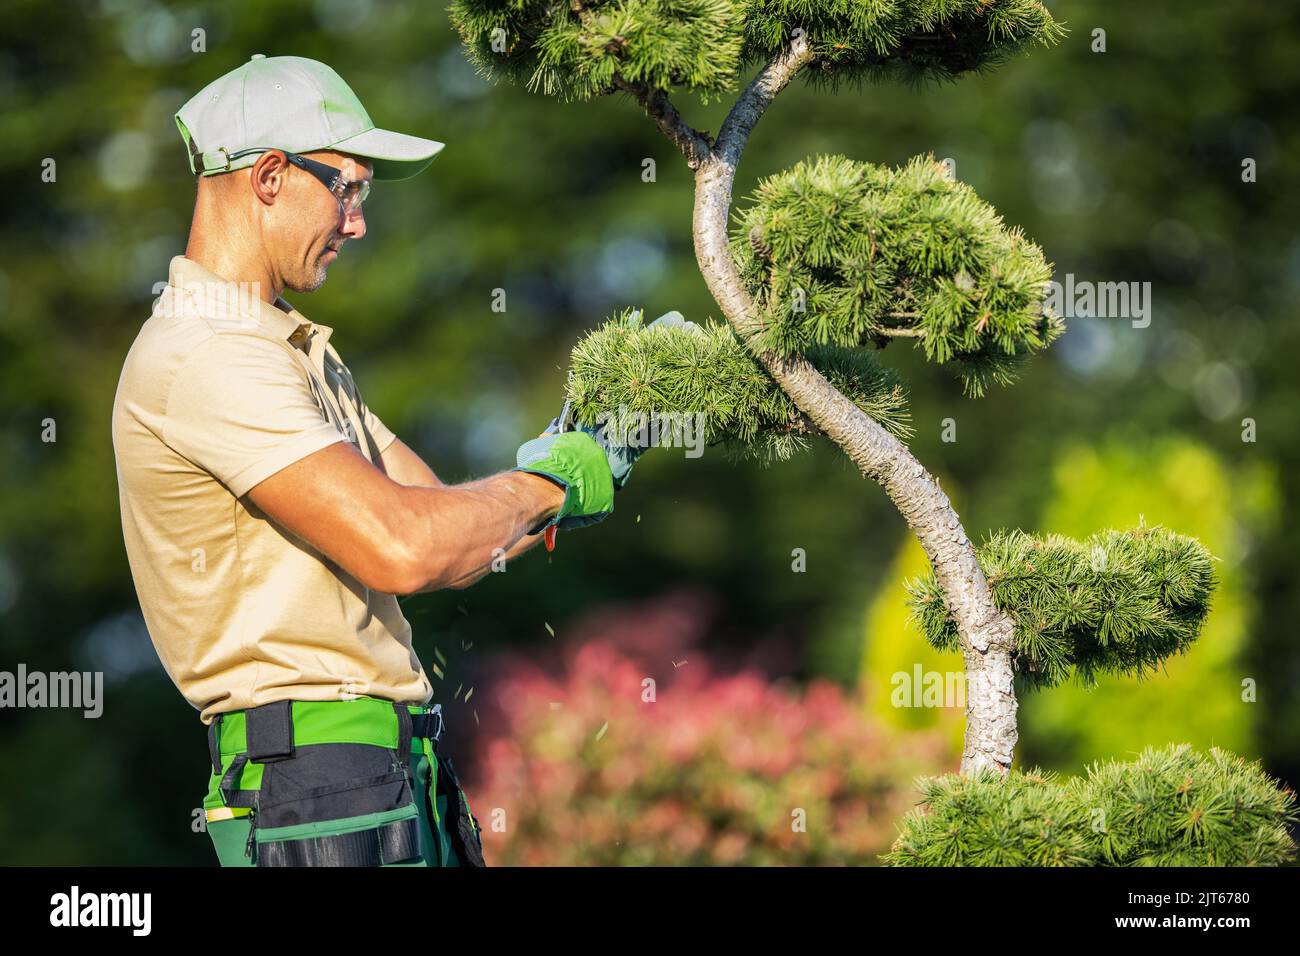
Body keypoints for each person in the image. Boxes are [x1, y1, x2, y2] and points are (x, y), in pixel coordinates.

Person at [110, 54, 621, 866]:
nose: (357, 222)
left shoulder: (285, 350)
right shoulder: (209, 354)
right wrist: (544, 483)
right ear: (270, 175)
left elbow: (448, 530)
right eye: (346, 188)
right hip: (314, 781)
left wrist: (572, 471)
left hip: (376, 770)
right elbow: (406, 547)